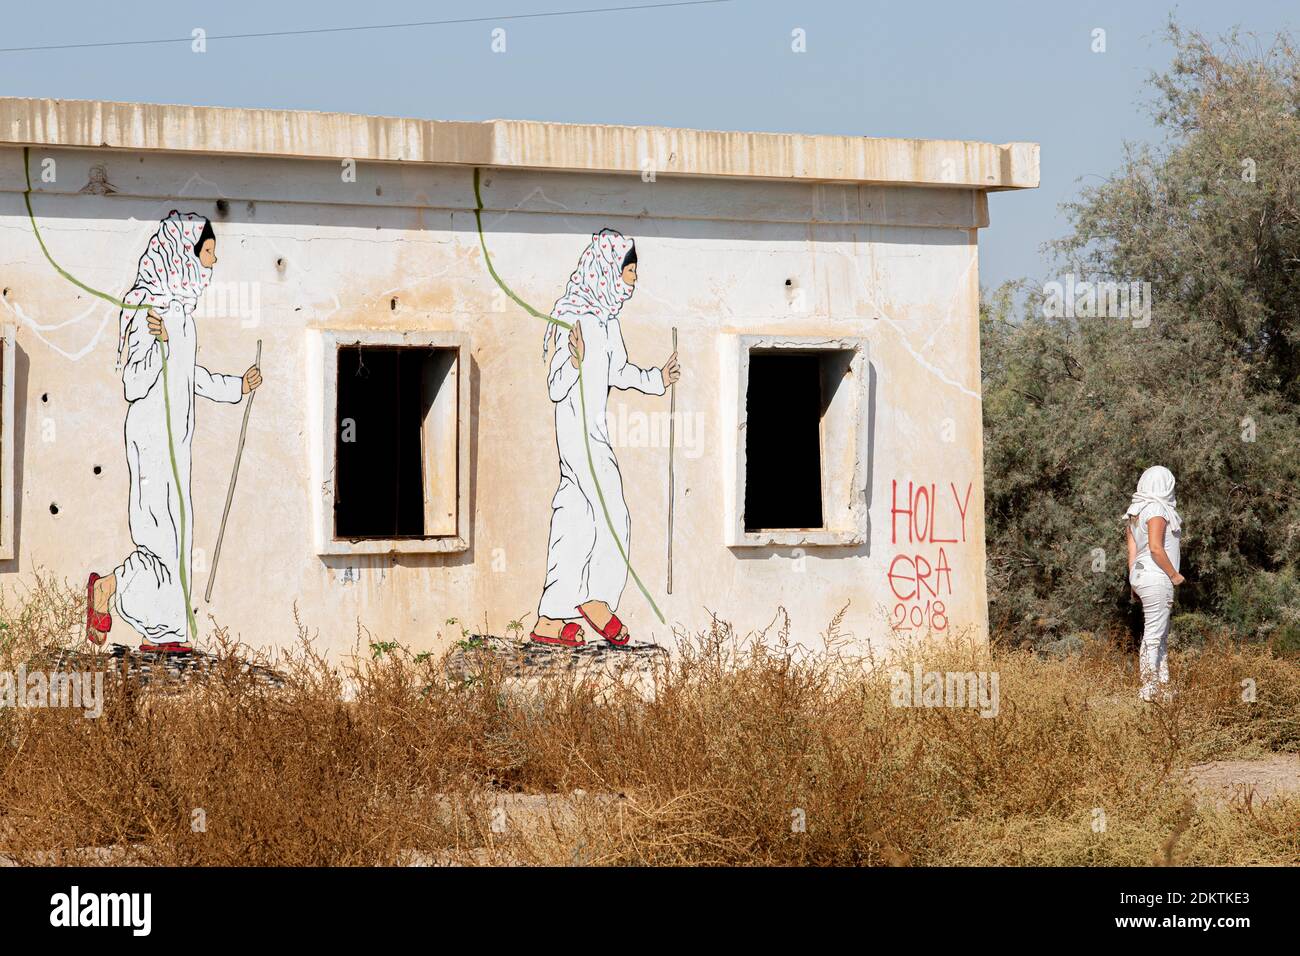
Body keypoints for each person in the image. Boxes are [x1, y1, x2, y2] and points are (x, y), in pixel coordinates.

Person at [85, 212, 262, 652]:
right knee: (157, 536)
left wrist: (235, 387)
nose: (211, 264)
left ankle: (163, 634)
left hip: (175, 441)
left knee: (177, 538)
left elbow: (189, 375)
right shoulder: (144, 309)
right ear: (183, 254)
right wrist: (160, 344)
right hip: (150, 437)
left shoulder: (181, 315)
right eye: (206, 253)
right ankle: (107, 589)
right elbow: (134, 382)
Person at [530, 229, 681, 647]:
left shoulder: (607, 322)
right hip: (578, 434)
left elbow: (619, 371)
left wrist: (657, 380)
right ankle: (596, 600)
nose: (632, 280)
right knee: (613, 512)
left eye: (633, 272)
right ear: (608, 270)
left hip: (591, 430)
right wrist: (575, 360)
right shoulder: (572, 319)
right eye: (628, 270)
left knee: (573, 517)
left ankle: (549, 619)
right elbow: (556, 386)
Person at [1124, 465, 1185, 702]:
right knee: (1155, 633)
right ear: (1166, 484)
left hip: (1140, 575)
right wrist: (1174, 575)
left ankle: (1161, 686)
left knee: (1158, 632)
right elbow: (1155, 548)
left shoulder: (1134, 512)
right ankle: (1150, 688)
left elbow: (1132, 553)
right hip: (1156, 575)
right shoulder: (1158, 509)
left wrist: (1133, 584)